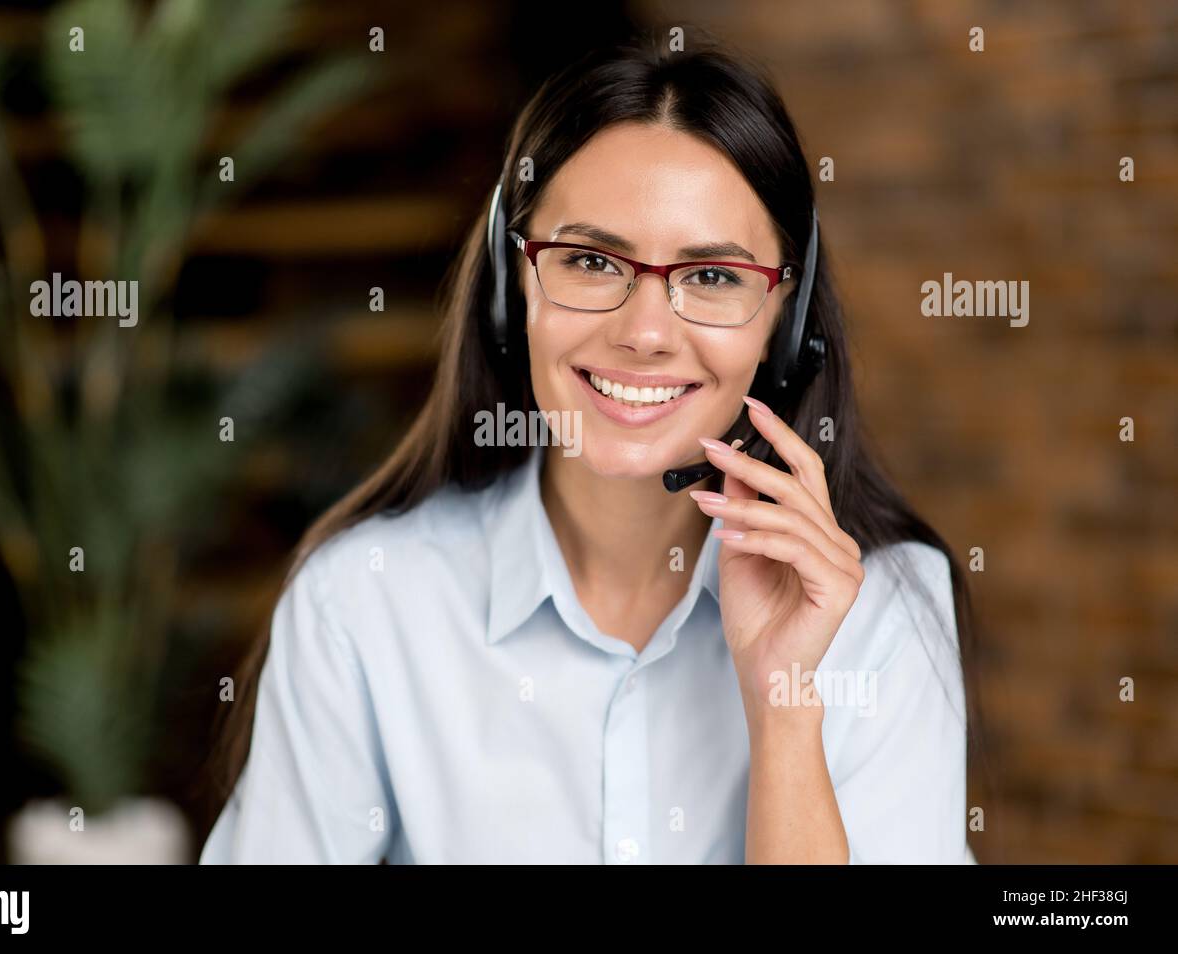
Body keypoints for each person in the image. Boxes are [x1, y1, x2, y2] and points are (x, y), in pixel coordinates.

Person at [201, 38, 979, 864]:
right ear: (514, 286)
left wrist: (785, 709)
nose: (644, 334)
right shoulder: (363, 604)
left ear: (782, 320)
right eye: (588, 261)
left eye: (712, 276)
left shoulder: (885, 612)